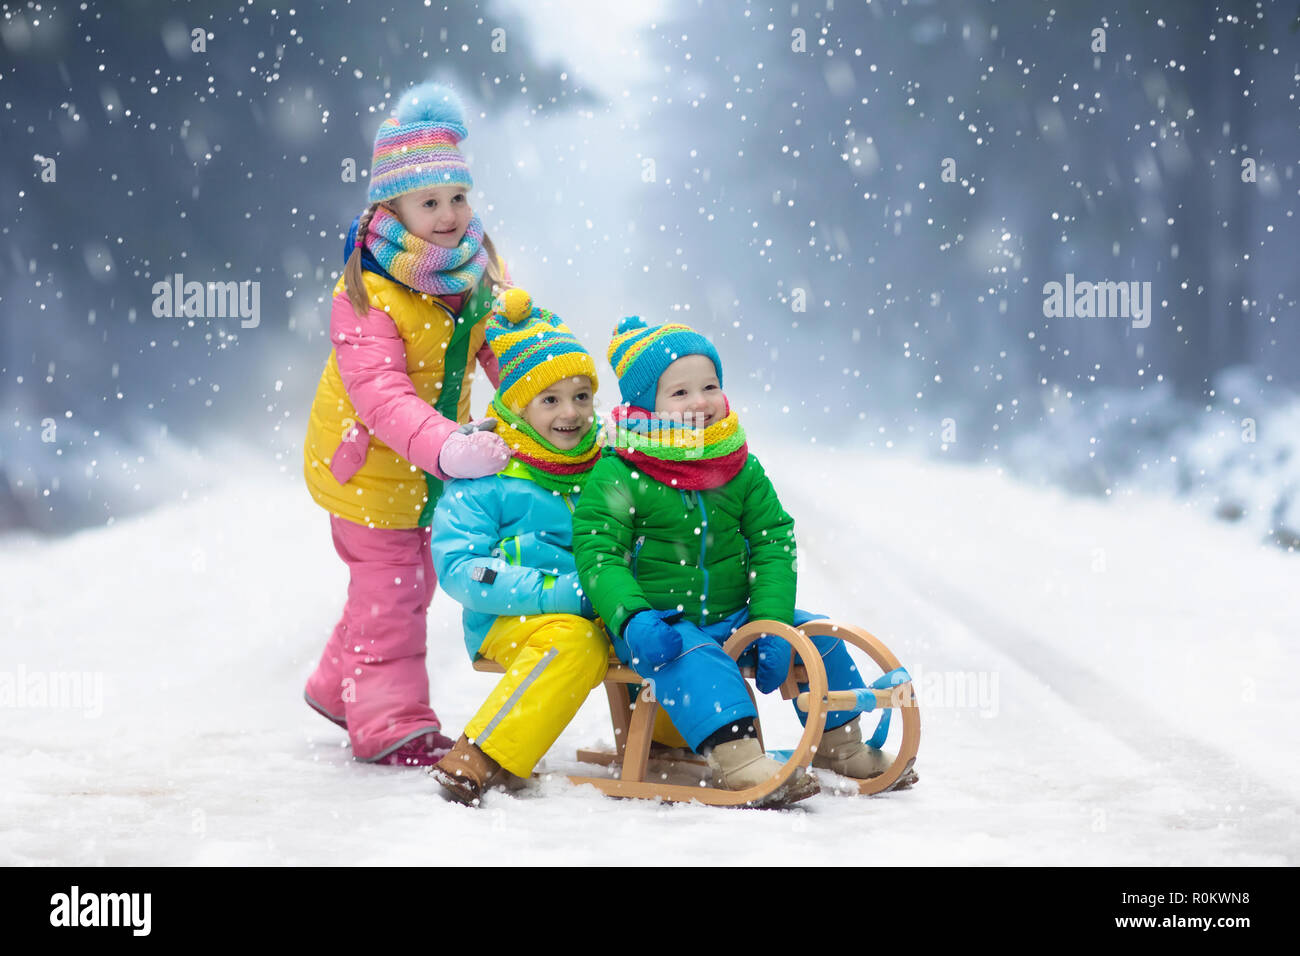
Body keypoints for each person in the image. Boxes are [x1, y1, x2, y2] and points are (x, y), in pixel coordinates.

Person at [571, 316, 916, 808]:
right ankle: (737, 757)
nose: (700, 402)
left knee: (817, 636)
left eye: (709, 386)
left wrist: (771, 617)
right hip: (661, 624)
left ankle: (840, 745)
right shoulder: (618, 472)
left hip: (735, 616)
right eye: (680, 392)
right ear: (644, 407)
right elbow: (598, 552)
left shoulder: (737, 464)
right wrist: (631, 616)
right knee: (692, 659)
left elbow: (774, 537)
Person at [301, 82, 514, 766]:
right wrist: (451, 445)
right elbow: (382, 397)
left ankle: (340, 686)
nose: (450, 215)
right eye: (430, 202)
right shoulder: (369, 293)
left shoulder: (470, 274)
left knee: (401, 584)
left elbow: (506, 345)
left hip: (425, 470)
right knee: (394, 592)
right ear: (391, 208)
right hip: (369, 470)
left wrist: (553, 398)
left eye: (458, 197)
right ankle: (393, 723)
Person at [428, 289, 608, 804]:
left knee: (671, 619)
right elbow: (463, 569)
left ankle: (675, 741)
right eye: (549, 399)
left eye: (581, 396)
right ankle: (481, 753)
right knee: (577, 640)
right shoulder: (488, 475)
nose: (569, 413)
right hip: (508, 619)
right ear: (517, 404)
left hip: (598, 608)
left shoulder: (606, 465)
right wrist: (563, 593)